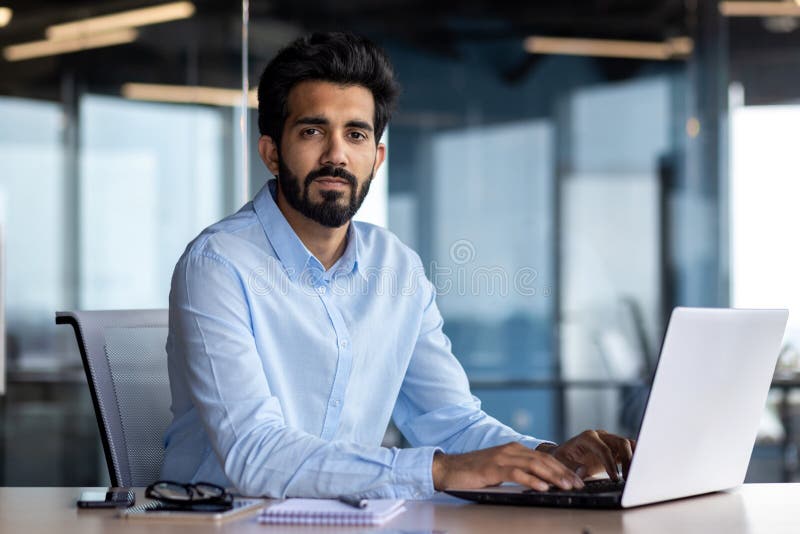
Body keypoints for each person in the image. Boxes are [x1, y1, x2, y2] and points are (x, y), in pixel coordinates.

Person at [162, 31, 634, 499]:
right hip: (224, 522)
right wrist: (438, 471)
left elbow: (450, 423)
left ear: (377, 158)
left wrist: (552, 459)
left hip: (348, 521)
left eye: (356, 134)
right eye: (312, 131)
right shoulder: (218, 265)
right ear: (270, 153)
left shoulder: (397, 268)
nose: (336, 155)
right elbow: (255, 455)